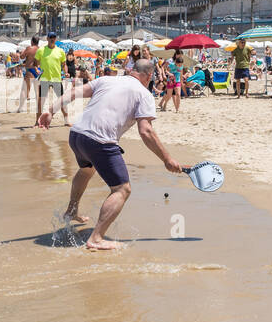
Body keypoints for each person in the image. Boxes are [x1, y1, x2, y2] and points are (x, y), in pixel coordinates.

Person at [36, 58, 185, 250]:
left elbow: (73, 92)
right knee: (122, 189)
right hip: (99, 142)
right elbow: (145, 130)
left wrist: (50, 111)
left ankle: (71, 211)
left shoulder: (106, 80)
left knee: (87, 170)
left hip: (77, 135)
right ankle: (96, 238)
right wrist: (167, 159)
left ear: (131, 71)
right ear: (149, 76)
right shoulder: (144, 93)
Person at [35, 33, 68, 125]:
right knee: (41, 101)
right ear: (47, 38)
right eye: (50, 37)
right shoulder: (41, 50)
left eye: (54, 37)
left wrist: (66, 72)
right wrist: (37, 69)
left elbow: (64, 64)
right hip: (44, 79)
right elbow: (36, 63)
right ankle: (37, 122)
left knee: (62, 101)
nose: (52, 39)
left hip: (57, 79)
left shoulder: (60, 51)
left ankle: (66, 121)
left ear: (56, 39)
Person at [18, 37, 41, 113]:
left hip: (30, 71)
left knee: (24, 90)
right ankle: (39, 108)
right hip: (38, 72)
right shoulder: (41, 49)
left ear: (32, 41)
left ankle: (20, 108)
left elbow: (22, 56)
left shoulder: (29, 48)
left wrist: (22, 51)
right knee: (37, 91)